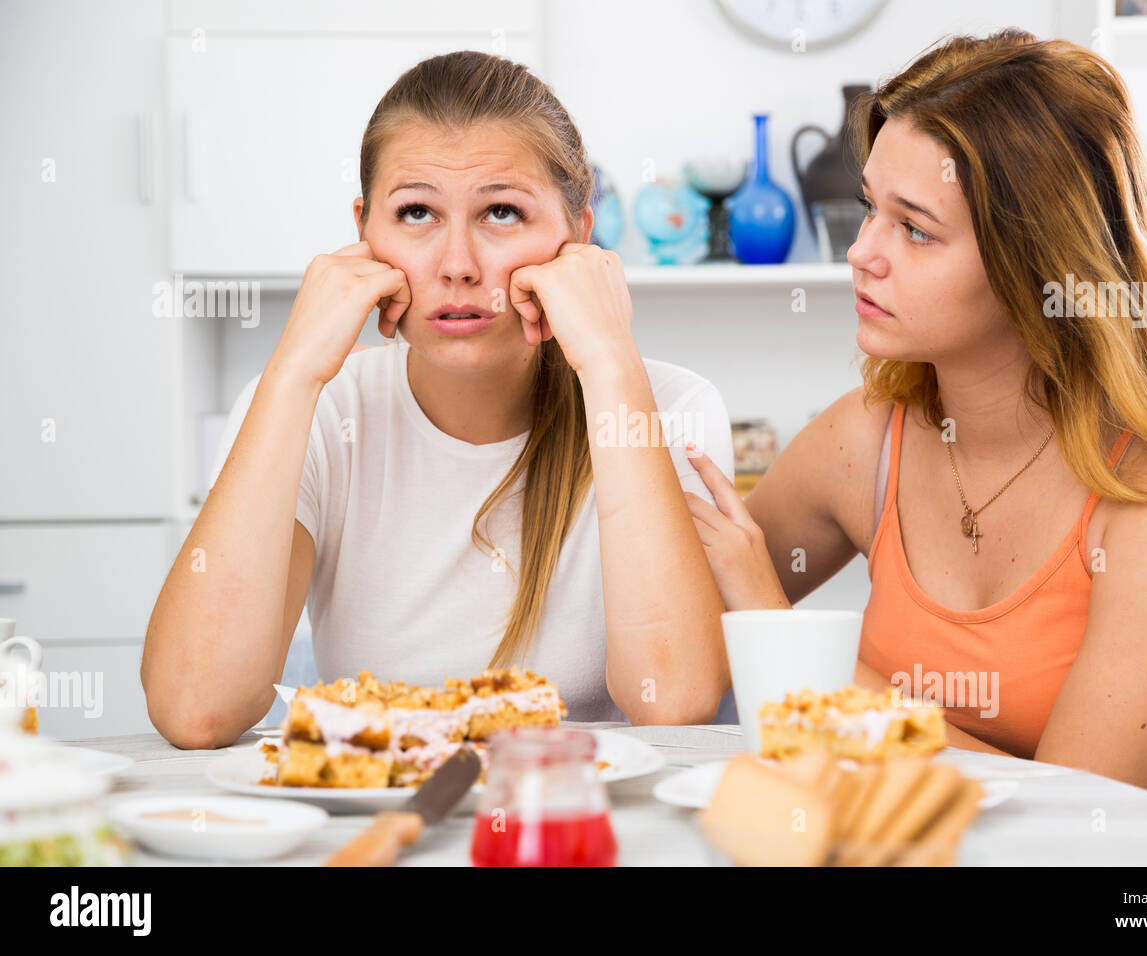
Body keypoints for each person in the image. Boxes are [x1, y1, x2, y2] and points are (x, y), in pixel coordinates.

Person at [683, 29, 1147, 866]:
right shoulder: (867, 438)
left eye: (917, 230)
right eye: (871, 208)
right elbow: (676, 654)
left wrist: (782, 644)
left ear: (1036, 264)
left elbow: (1076, 824)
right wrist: (607, 369)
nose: (862, 254)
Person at [142, 51, 735, 746]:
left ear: (578, 233)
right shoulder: (322, 410)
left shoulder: (670, 405)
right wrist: (293, 371)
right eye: (417, 212)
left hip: (572, 828)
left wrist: (609, 363)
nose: (458, 264)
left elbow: (676, 703)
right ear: (365, 232)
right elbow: (196, 708)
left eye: (503, 212)